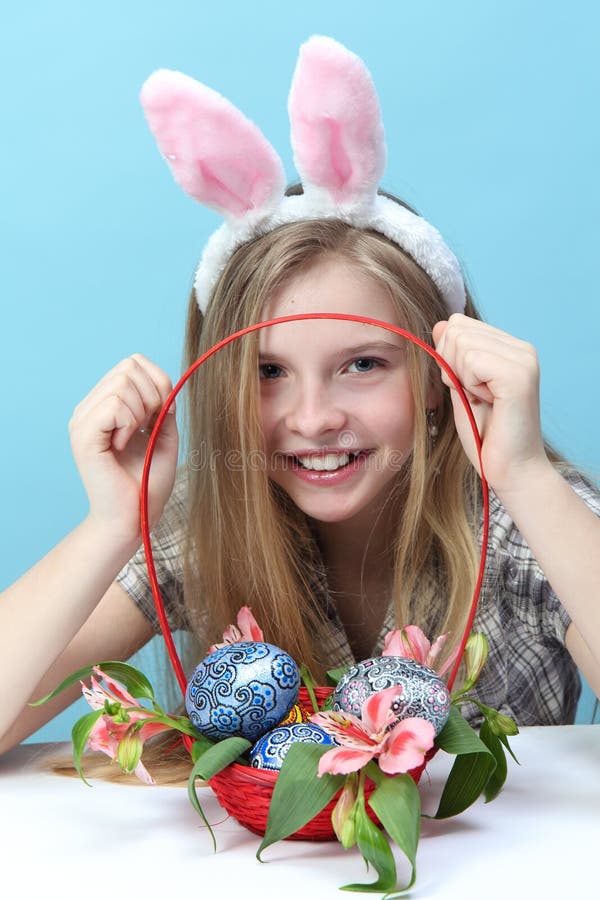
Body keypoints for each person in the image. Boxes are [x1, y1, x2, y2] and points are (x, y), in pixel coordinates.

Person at [1, 35, 599, 758]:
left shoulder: (521, 519)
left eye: (363, 365)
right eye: (268, 373)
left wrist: (526, 477)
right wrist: (110, 525)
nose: (313, 419)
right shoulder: (208, 519)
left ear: (442, 377)